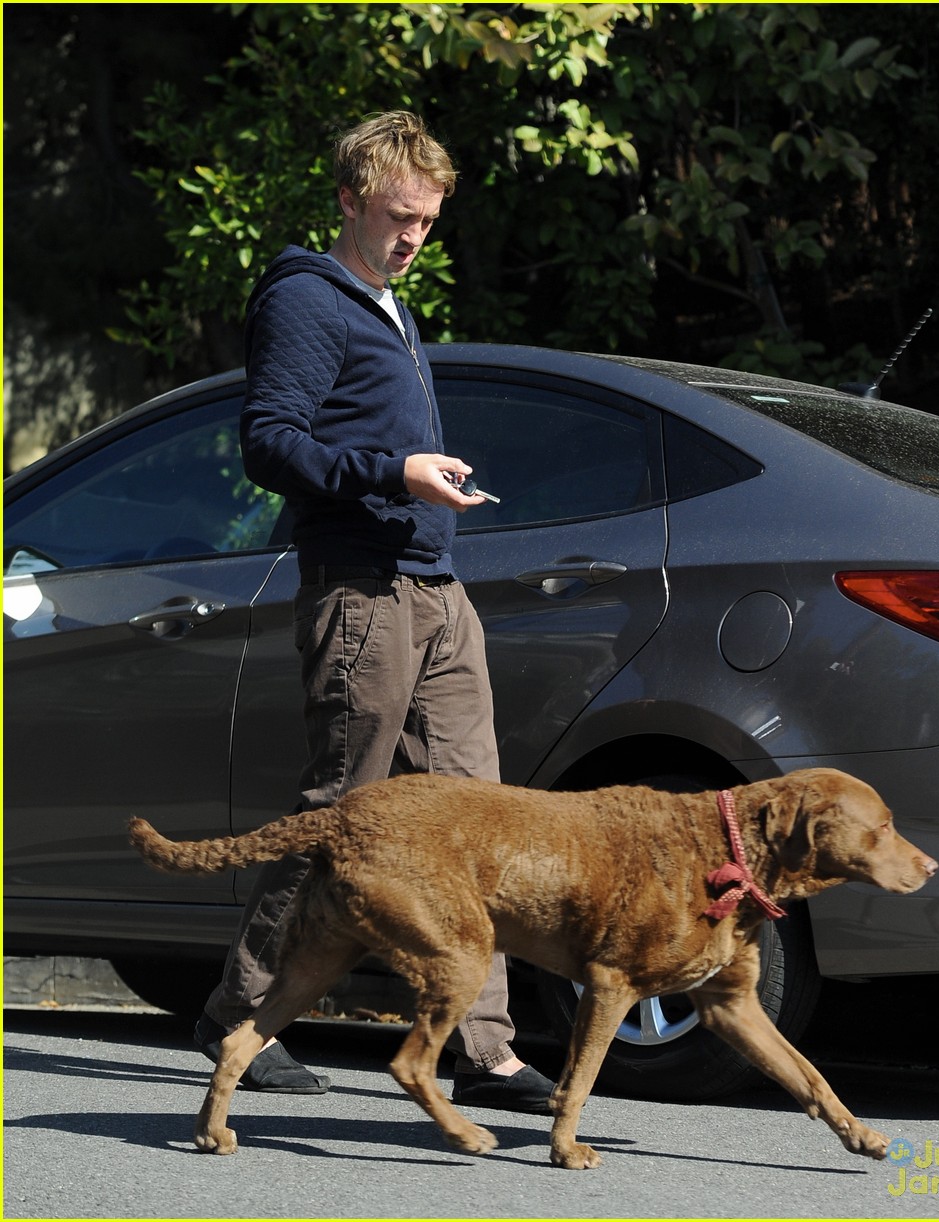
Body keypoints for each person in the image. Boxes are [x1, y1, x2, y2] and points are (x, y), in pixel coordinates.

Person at [193, 110, 553, 1114]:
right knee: (338, 816)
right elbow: (269, 441)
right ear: (349, 199)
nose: (411, 239)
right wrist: (388, 470)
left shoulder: (386, 304)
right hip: (361, 587)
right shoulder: (309, 301)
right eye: (397, 217)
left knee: (475, 820)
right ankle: (237, 1012)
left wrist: (420, 487)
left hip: (433, 583)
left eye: (427, 223)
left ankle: (485, 1049)